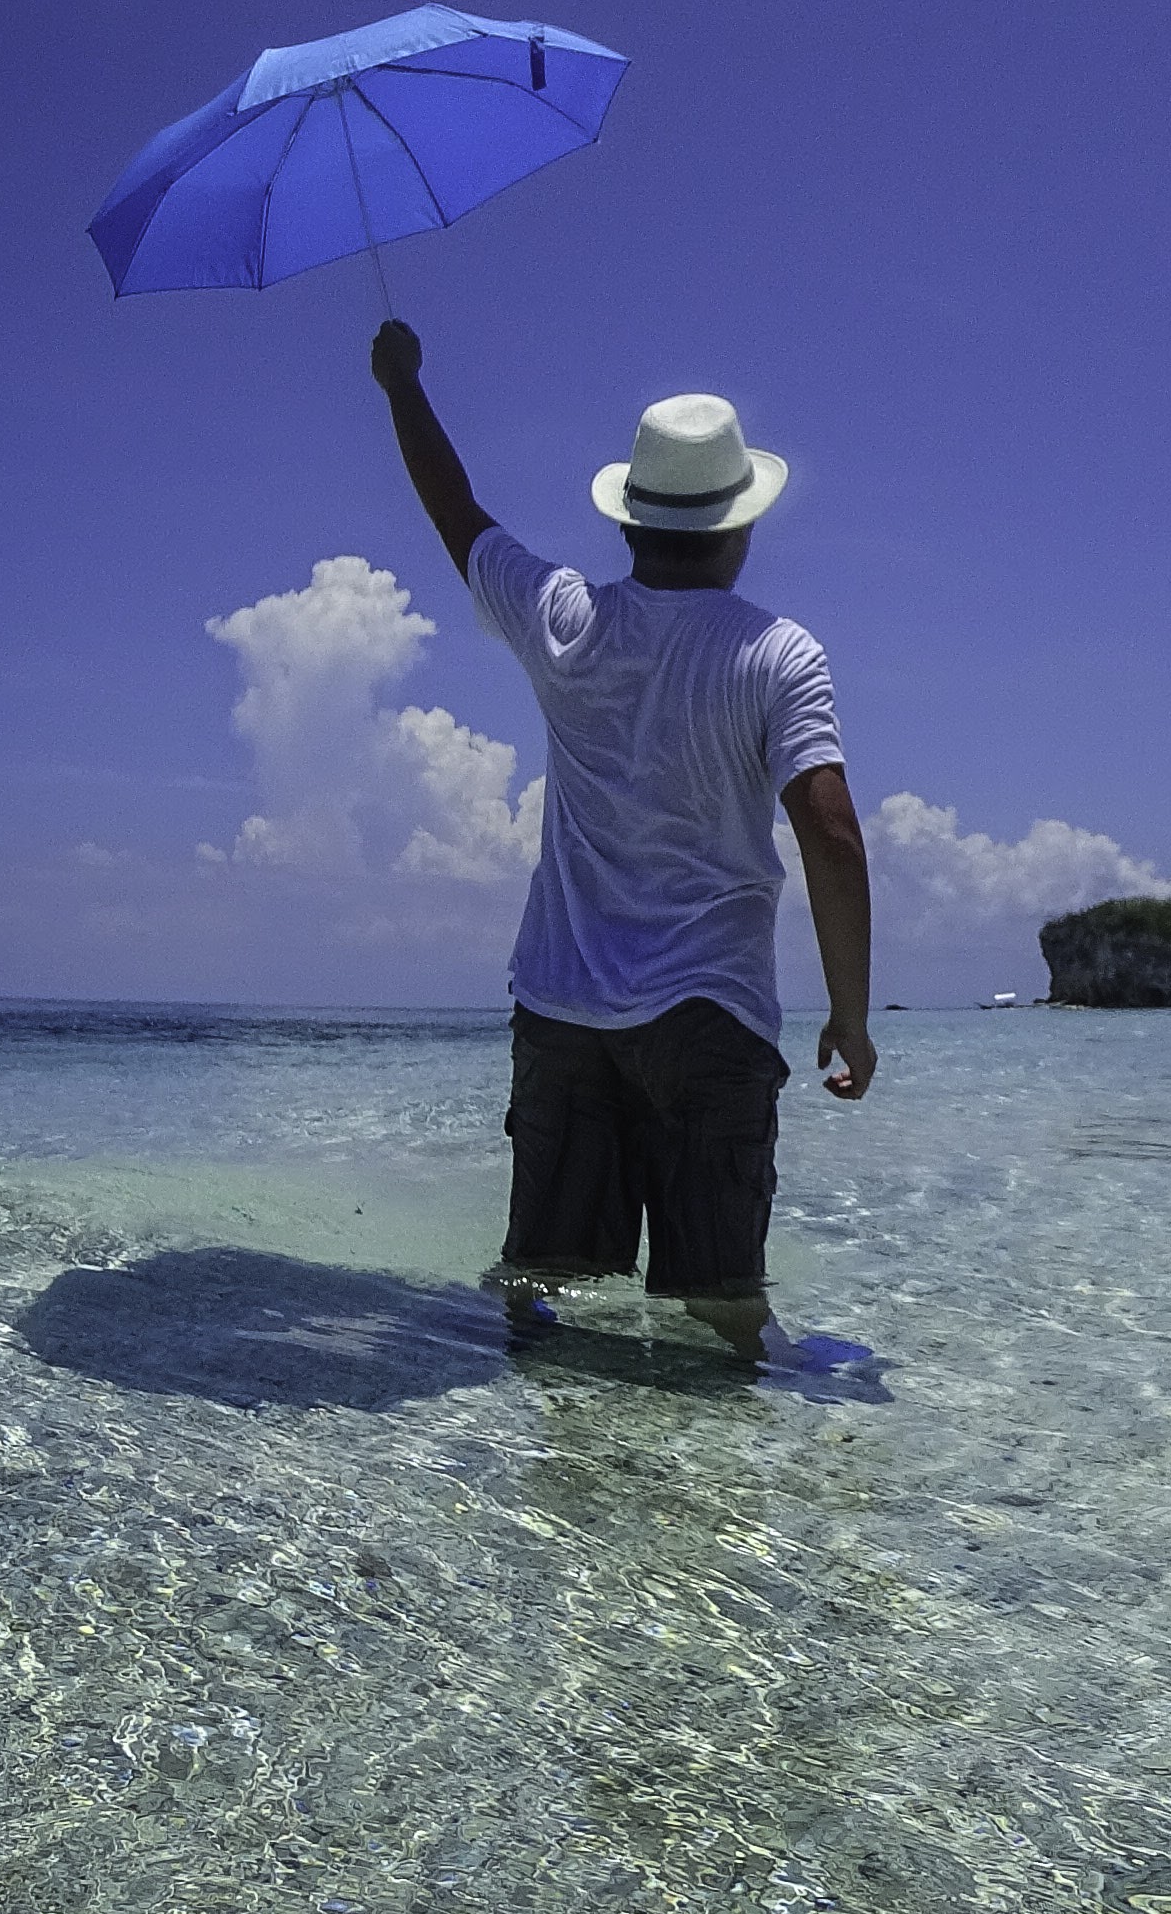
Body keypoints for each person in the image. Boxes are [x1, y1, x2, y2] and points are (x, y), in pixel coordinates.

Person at [368, 317, 876, 1369]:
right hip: (711, 1019)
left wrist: (401, 384)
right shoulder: (777, 652)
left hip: (564, 1015)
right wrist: (850, 1015)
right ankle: (736, 1444)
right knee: (726, 1314)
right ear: (738, 528)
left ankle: (539, 1449)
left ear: (631, 522)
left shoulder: (563, 617)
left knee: (536, 1292)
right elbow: (830, 835)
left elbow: (456, 512)